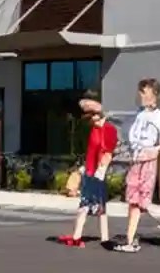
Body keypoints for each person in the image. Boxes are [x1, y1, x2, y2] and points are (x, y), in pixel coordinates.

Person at [114, 79, 160, 254]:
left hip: (148, 162)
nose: (141, 95)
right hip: (135, 161)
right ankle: (130, 239)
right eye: (141, 92)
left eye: (145, 92)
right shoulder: (137, 114)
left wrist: (153, 152)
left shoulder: (159, 117)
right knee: (132, 201)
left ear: (154, 94)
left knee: (143, 202)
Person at [58, 98, 118, 248]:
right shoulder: (94, 131)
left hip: (98, 172)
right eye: (90, 117)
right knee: (86, 204)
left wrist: (101, 171)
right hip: (91, 170)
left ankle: (102, 237)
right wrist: (84, 169)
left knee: (99, 205)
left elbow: (108, 152)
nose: (92, 120)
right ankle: (80, 236)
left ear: (99, 115)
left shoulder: (109, 130)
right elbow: (91, 153)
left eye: (93, 116)